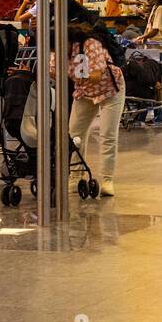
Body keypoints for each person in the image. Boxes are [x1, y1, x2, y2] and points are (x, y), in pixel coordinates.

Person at [58, 21, 125, 197]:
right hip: (84, 92)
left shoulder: (90, 44)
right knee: (74, 134)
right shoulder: (56, 52)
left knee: (108, 135)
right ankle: (75, 175)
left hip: (111, 90)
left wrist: (76, 73)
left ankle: (107, 180)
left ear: (69, 40)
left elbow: (96, 76)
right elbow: (53, 72)